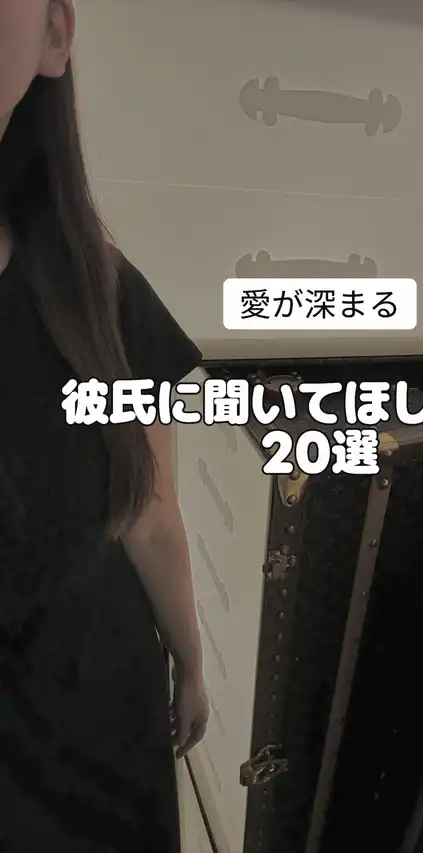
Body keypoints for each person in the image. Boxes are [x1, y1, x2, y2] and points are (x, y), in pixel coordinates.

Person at [0, 1, 209, 850]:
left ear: (54, 34)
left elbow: (149, 515)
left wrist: (189, 661)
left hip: (100, 718)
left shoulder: (99, 291)